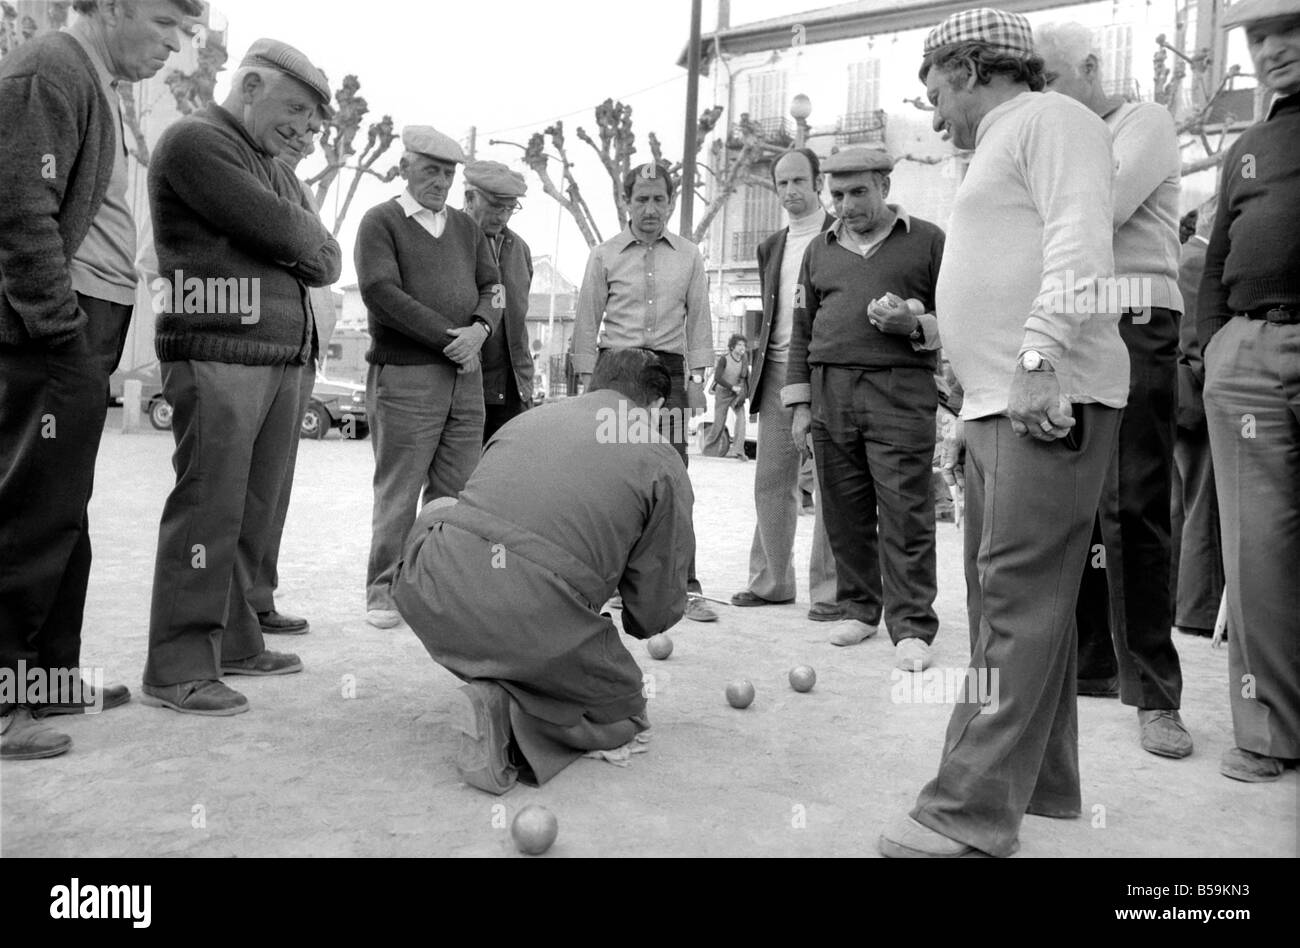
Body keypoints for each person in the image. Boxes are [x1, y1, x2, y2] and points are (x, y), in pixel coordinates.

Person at [880, 8, 1126, 857]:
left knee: (1016, 605)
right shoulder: (1000, 141)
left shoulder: (1054, 121)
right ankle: (1039, 789)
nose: (931, 109)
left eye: (932, 87)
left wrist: (1037, 357)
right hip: (1000, 402)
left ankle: (966, 811)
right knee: (1013, 606)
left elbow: (1081, 243)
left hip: (1045, 396)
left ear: (971, 66)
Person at [0, 0, 203, 758]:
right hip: (55, 325)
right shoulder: (50, 68)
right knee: (28, 513)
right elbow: (19, 207)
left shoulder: (92, 79)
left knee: (63, 510)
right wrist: (57, 327)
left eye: (186, 33)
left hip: (89, 318)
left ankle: (46, 680)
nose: (174, 47)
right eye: (164, 25)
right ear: (113, 5)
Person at [141, 39, 340, 717]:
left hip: (271, 357)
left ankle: (235, 642)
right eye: (297, 111)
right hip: (218, 351)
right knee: (209, 509)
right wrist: (302, 240)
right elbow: (293, 237)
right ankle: (178, 668)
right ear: (249, 85)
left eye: (313, 123)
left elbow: (323, 253)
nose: (305, 131)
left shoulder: (264, 162)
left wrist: (303, 240)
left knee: (251, 511)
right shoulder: (197, 142)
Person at [392, 348, 693, 794]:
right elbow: (653, 612)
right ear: (654, 407)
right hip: (531, 616)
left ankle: (501, 670)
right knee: (623, 712)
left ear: (594, 385)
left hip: (432, 592)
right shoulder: (661, 459)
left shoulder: (526, 420)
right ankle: (506, 715)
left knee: (447, 508)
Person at [1037, 21, 1191, 759]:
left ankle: (1157, 694)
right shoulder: (1061, 130)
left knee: (1133, 502)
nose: (1043, 95)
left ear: (1093, 67)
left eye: (1053, 77)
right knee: (1082, 503)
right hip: (1079, 317)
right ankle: (1095, 663)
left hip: (1134, 314)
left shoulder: (1145, 122)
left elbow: (1096, 210)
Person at [784, 146, 945, 670]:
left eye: (858, 192)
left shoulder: (926, 241)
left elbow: (956, 315)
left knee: (905, 511)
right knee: (844, 509)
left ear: (885, 188)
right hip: (831, 390)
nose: (846, 204)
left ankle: (912, 625)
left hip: (899, 390)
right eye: (836, 194)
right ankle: (858, 606)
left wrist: (914, 326)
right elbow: (801, 330)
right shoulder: (818, 250)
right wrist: (801, 403)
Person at [1198, 0, 1300, 783]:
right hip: (1248, 355)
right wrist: (1213, 347)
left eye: (1289, 29)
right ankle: (1268, 737)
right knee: (1258, 554)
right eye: (1258, 36)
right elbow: (1216, 256)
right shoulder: (1249, 147)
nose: (1272, 49)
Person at [355, 126, 501, 630]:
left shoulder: (467, 228)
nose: (440, 181)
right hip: (407, 377)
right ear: (405, 168)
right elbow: (380, 292)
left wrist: (481, 328)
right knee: (399, 487)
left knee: (455, 491)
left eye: (447, 172)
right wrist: (450, 339)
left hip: (466, 377)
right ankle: (383, 590)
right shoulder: (381, 222)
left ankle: (438, 585)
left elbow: (494, 289)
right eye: (430, 170)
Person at [573, 162, 717, 623]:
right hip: (615, 373)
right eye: (641, 199)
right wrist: (584, 382)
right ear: (626, 203)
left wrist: (696, 380)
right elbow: (585, 320)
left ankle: (683, 585)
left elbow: (698, 321)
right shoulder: (604, 255)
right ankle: (608, 583)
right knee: (611, 475)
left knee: (673, 473)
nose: (650, 209)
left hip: (669, 375)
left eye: (659, 199)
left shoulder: (690, 256)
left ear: (671, 203)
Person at [731, 148, 840, 620]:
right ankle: (773, 582)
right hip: (774, 371)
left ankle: (831, 592)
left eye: (799, 180)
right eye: (782, 183)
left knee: (835, 483)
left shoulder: (840, 233)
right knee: (771, 481)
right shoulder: (771, 246)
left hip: (828, 371)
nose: (791, 191)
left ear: (818, 182)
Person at [247, 104, 339, 638]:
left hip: (299, 350)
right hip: (250, 351)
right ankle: (230, 612)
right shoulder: (231, 177)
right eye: (296, 128)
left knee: (272, 489)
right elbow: (158, 267)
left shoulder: (295, 188)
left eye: (312, 134)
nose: (304, 141)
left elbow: (328, 261)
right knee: (236, 490)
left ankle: (258, 599)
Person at [1171, 199, 1223, 639]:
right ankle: (1196, 611)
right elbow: (1197, 342)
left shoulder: (1186, 256)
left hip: (1179, 400)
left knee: (1181, 506)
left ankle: (1181, 606)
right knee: (1200, 509)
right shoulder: (1199, 262)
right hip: (1196, 402)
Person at [462, 160, 535, 442]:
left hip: (513, 389)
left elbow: (518, 321)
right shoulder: (447, 242)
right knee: (460, 479)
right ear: (469, 198)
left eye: (510, 208)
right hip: (465, 385)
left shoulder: (520, 250)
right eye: (495, 206)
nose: (503, 216)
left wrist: (525, 381)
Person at [703, 334, 749, 458]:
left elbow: (745, 376)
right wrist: (731, 387)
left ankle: (739, 451)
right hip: (722, 393)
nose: (742, 347)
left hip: (736, 394)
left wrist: (742, 391)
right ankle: (708, 450)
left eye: (744, 345)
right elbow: (717, 378)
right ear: (733, 346)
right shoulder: (724, 359)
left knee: (742, 420)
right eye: (739, 345)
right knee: (719, 424)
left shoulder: (744, 358)